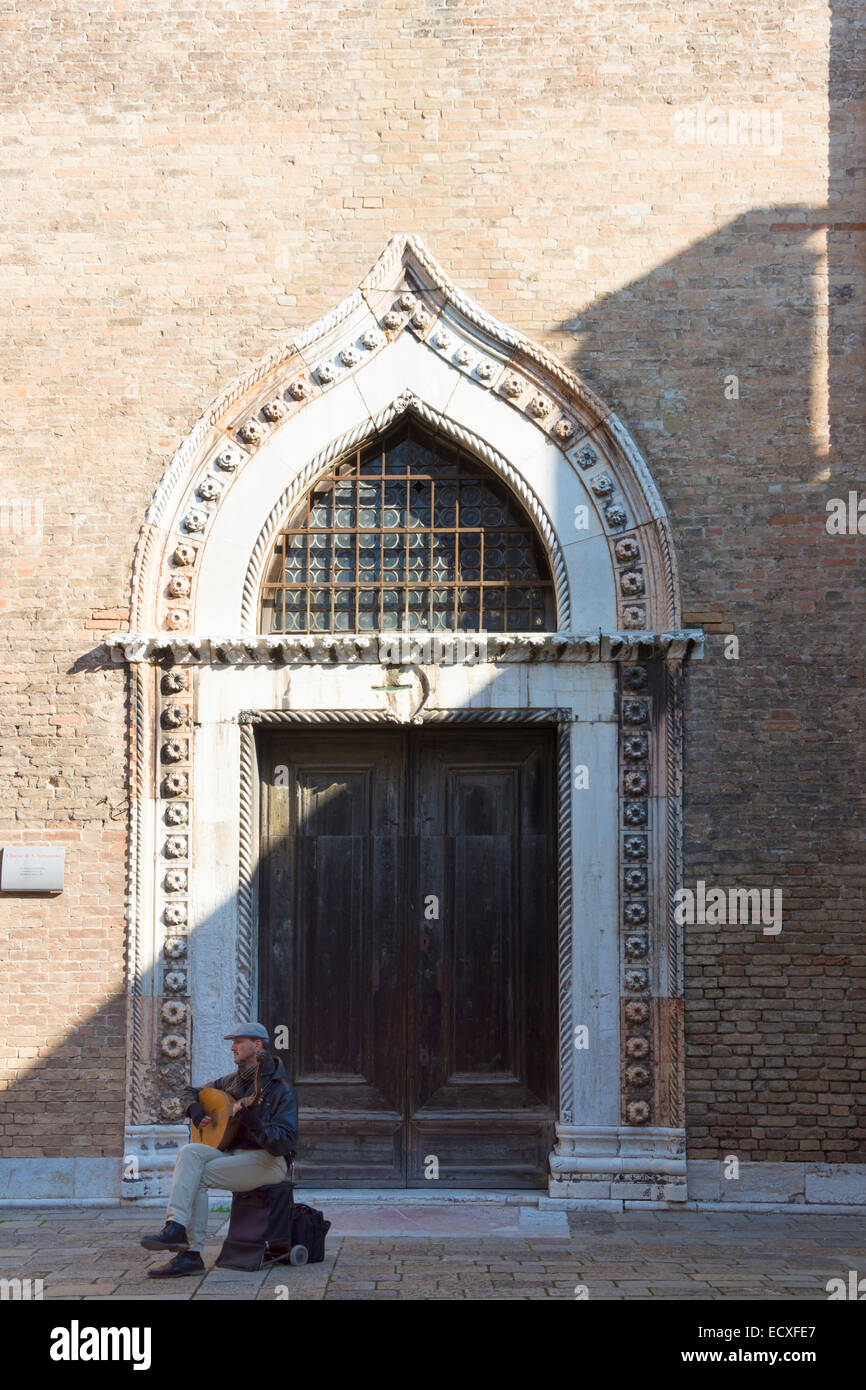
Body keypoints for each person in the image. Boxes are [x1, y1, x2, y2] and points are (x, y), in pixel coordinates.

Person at [140, 1022, 298, 1278]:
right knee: (190, 1152)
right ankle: (175, 1226)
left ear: (257, 1045)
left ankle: (190, 1254)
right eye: (231, 1043)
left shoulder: (281, 1090)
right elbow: (189, 1091)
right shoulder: (232, 1082)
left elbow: (284, 1142)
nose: (232, 1048)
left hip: (270, 1161)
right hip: (235, 1155)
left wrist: (253, 1121)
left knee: (198, 1178)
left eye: (238, 1042)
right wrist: (194, 1109)